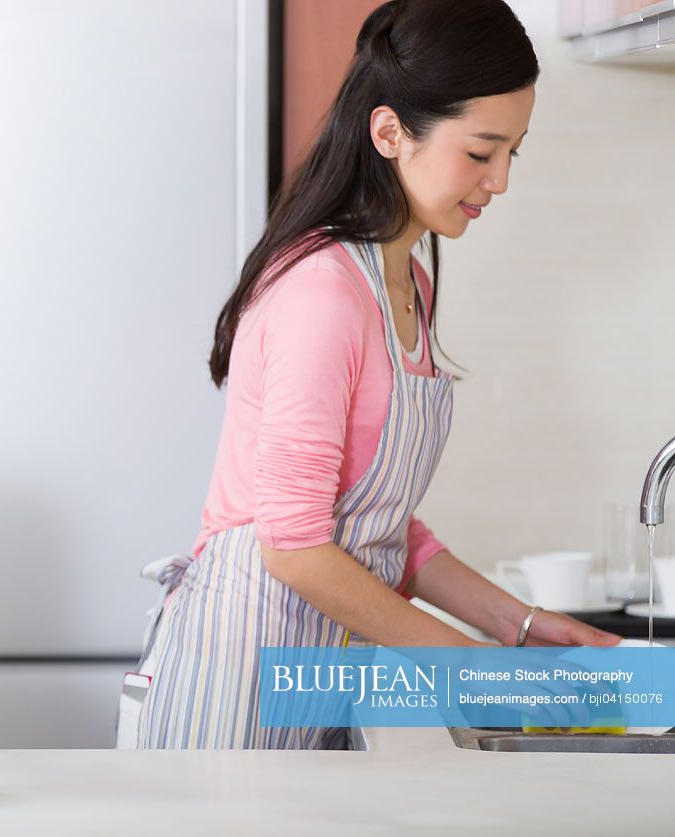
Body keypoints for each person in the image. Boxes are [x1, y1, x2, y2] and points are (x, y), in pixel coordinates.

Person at [136, 0, 619, 751]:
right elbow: (293, 544)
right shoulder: (321, 294)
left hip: (319, 675)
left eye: (511, 154)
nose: (497, 181)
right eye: (479, 151)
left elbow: (378, 523)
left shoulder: (407, 284)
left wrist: (515, 623)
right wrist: (463, 664)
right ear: (390, 131)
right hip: (238, 670)